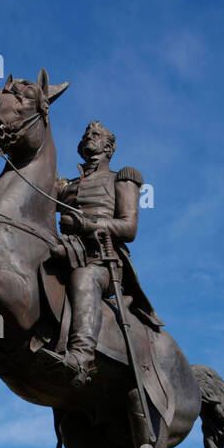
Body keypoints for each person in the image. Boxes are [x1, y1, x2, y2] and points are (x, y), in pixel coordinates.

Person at [55, 120, 162, 387]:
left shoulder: (122, 177)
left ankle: (82, 355)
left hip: (100, 259)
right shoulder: (66, 185)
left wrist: (89, 224)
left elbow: (129, 227)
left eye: (96, 134)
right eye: (85, 134)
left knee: (84, 278)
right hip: (65, 251)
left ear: (109, 147)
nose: (89, 137)